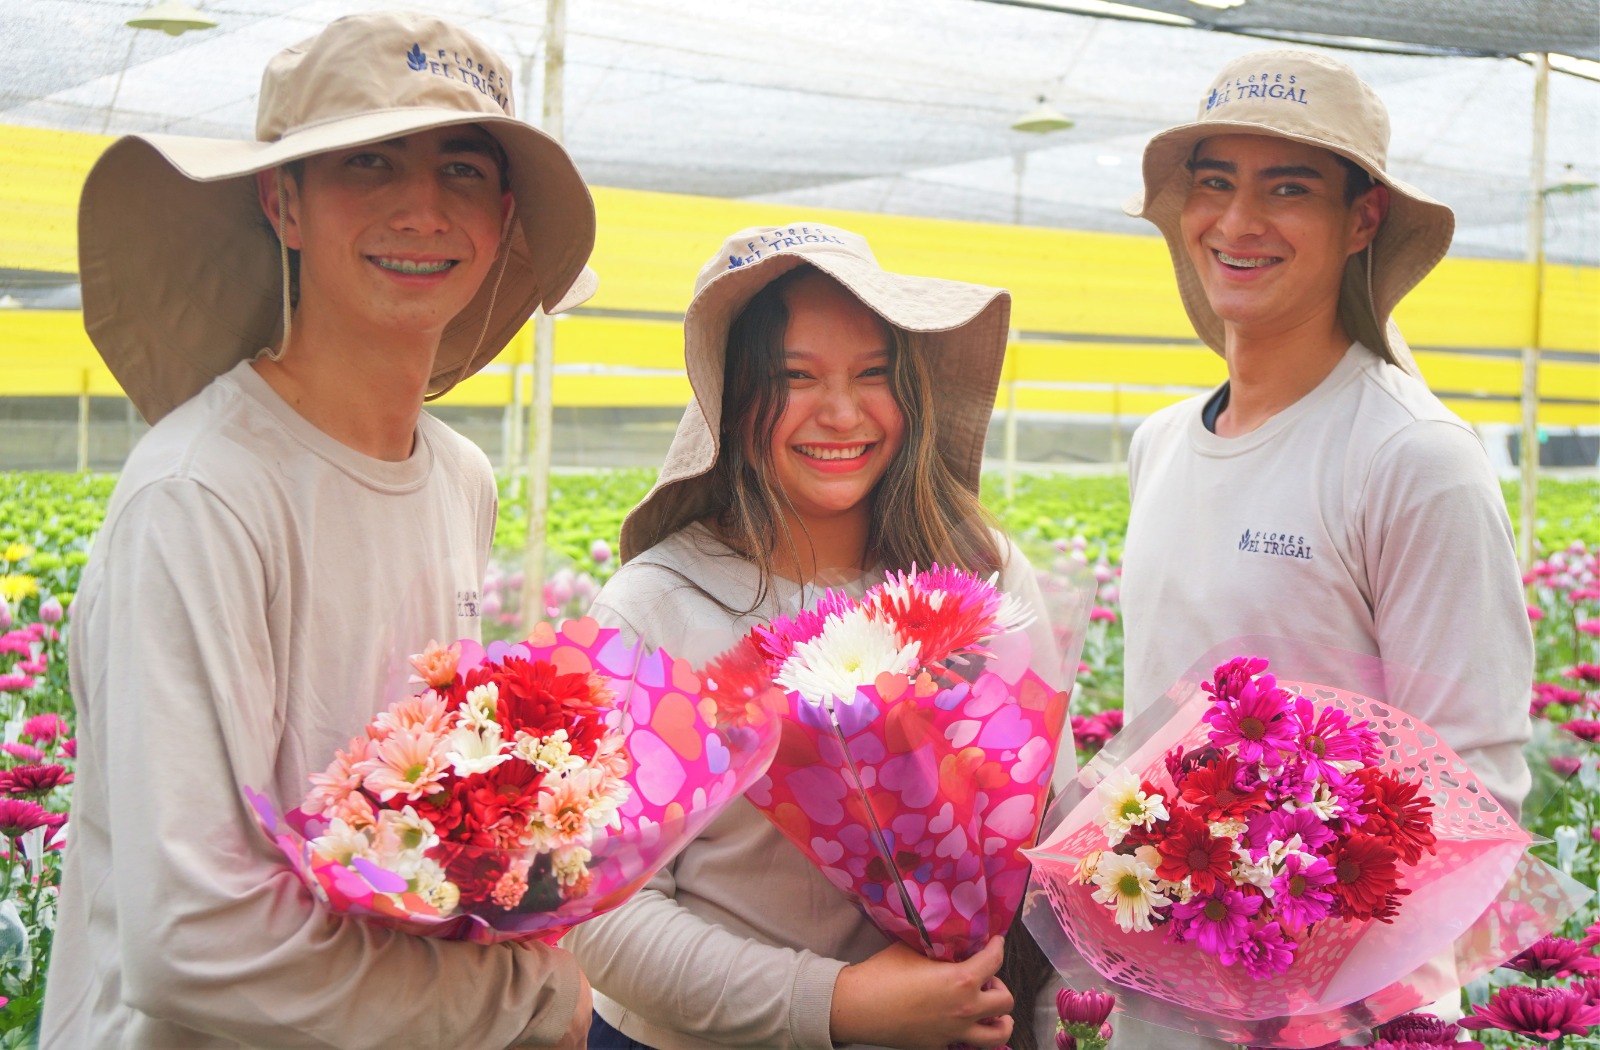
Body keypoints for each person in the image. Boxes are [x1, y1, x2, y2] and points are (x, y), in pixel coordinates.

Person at [43, 12, 600, 1048]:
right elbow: (193, 939)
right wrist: (520, 996)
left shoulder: (458, 480)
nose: (421, 209)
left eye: (462, 169)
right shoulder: (202, 494)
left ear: (502, 219)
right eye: (368, 162)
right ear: (282, 201)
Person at [561, 223, 1073, 1050]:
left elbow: (1054, 832)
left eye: (873, 373)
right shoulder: (653, 607)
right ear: (733, 399)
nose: (840, 414)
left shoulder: (980, 575)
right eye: (794, 377)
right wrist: (837, 1003)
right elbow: (603, 911)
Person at [1116, 49, 1534, 1048]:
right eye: (1214, 183)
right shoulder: (1159, 442)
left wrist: (1309, 986)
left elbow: (1471, 784)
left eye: (1288, 188)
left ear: (1363, 220)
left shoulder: (1411, 457)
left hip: (1337, 1012)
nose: (1238, 221)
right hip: (1158, 987)